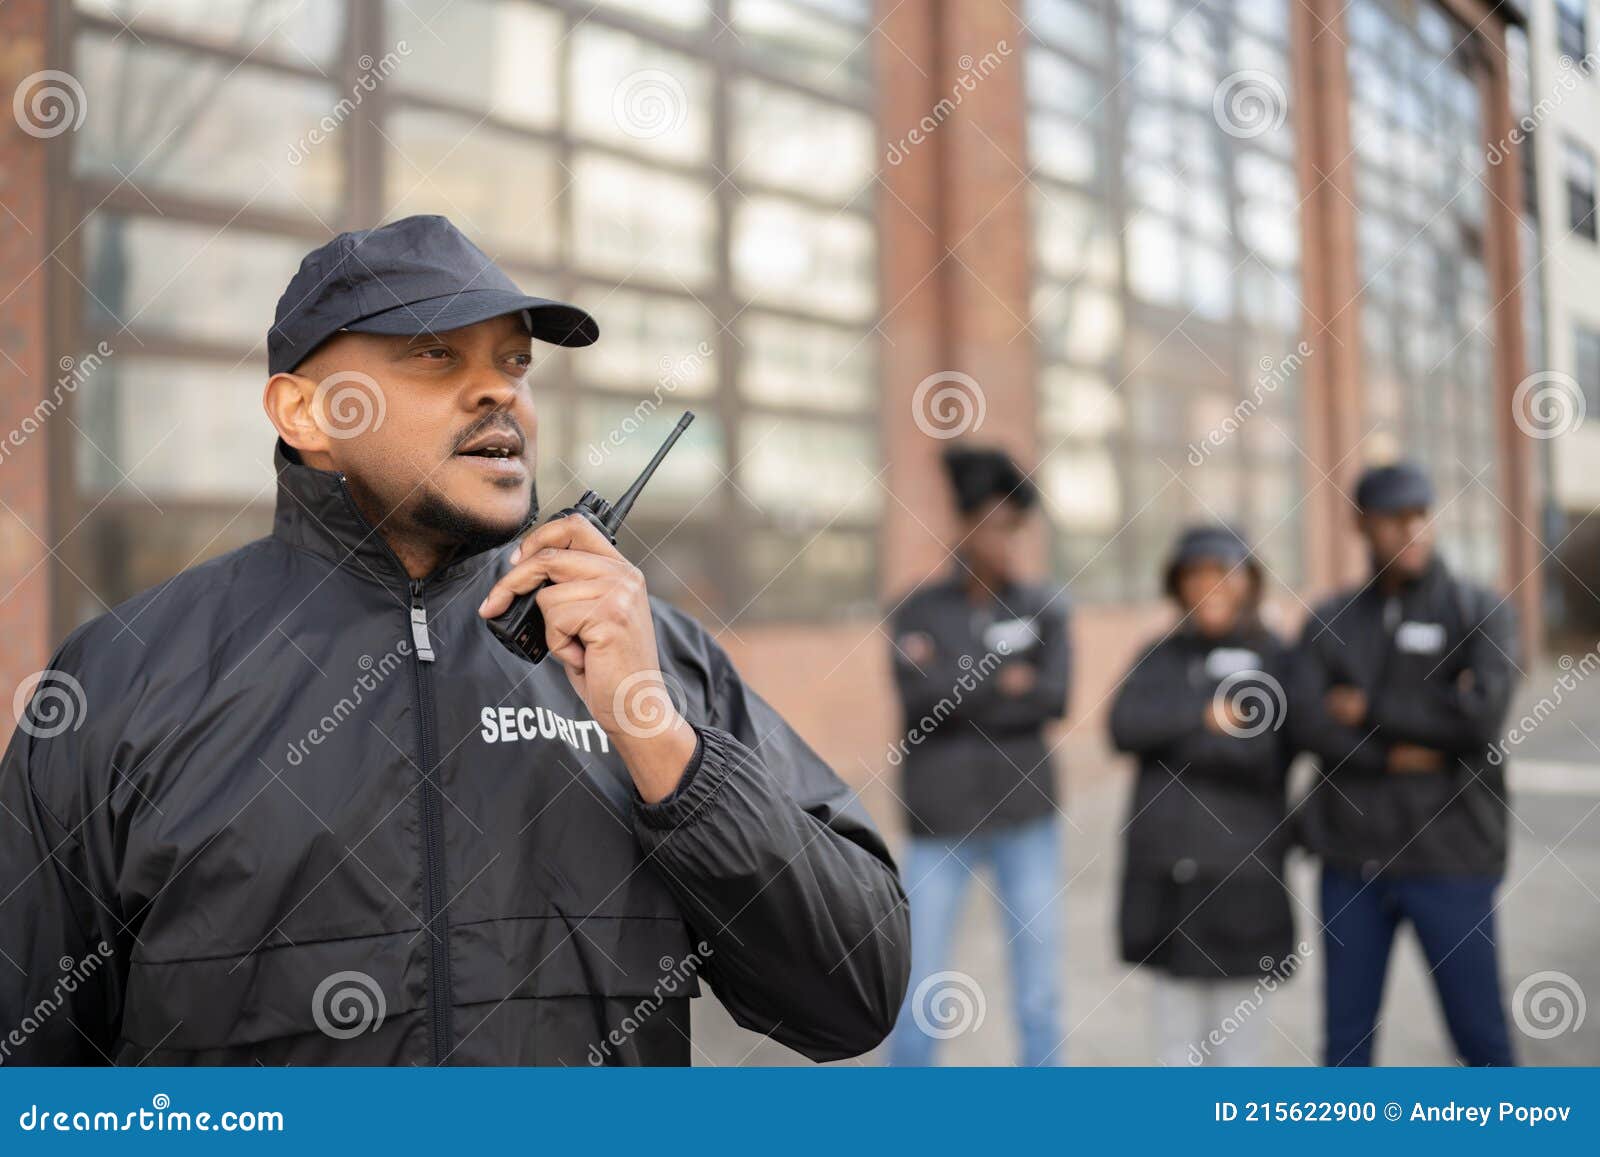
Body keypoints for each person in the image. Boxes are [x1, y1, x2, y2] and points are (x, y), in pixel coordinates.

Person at [0, 214, 910, 1066]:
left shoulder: (650, 661)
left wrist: (663, 745)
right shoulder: (123, 677)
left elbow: (855, 994)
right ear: (305, 413)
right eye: (434, 355)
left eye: (515, 362)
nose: (500, 388)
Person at [1289, 461, 1519, 1067]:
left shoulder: (1479, 611)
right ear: (1361, 526)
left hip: (1452, 858)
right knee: (1345, 1049)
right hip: (1351, 862)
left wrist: (1367, 708)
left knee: (1483, 1040)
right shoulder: (1330, 620)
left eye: (1421, 516)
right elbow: (1307, 722)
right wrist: (1404, 747)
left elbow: (1479, 721)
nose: (1411, 531)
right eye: (1394, 520)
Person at [884, 446, 1071, 1067]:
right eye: (990, 524)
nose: (1003, 540)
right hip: (939, 821)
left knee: (1039, 985)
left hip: (1026, 814)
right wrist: (1002, 679)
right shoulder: (915, 609)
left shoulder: (1043, 606)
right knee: (918, 982)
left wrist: (959, 678)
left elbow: (1053, 697)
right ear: (964, 526)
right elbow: (918, 696)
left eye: (1012, 526)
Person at [1108, 525, 1297, 1067]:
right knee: (1176, 1049)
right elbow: (1123, 728)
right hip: (1168, 883)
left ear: (1248, 583)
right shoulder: (1158, 655)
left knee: (1239, 1055)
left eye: (1223, 575)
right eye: (1197, 577)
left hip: (1243, 882)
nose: (1209, 589)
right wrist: (1204, 717)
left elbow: (1259, 751)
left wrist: (1169, 738)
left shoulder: (1273, 658)